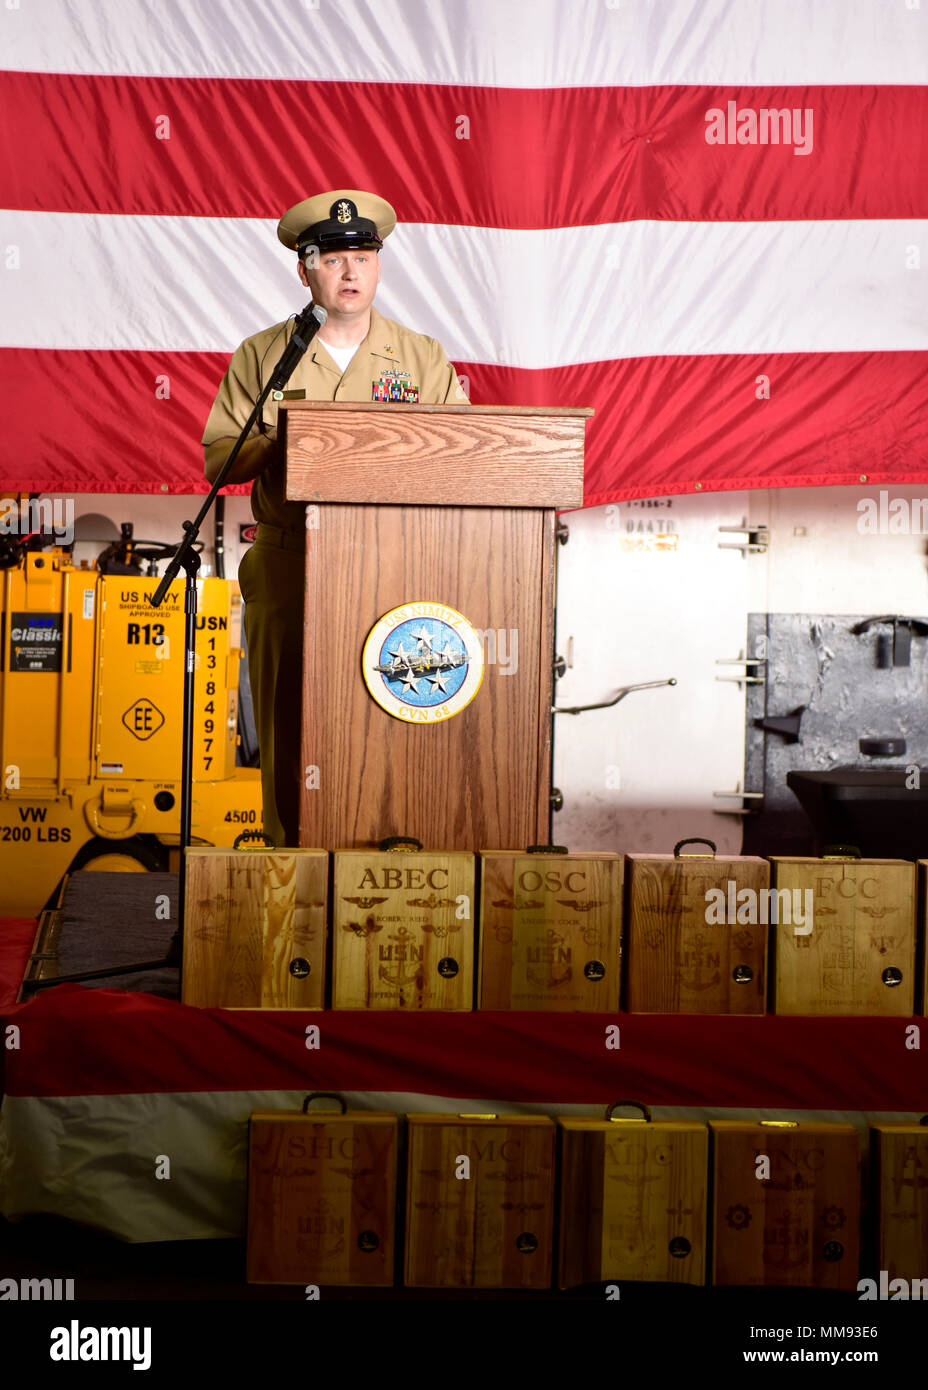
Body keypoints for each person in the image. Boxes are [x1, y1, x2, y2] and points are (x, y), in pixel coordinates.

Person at [202, 189, 470, 847]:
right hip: (291, 562)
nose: (350, 272)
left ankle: (386, 867)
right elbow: (218, 462)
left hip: (397, 566)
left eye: (363, 256)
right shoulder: (266, 355)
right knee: (288, 727)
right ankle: (290, 874)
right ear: (305, 269)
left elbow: (466, 459)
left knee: (392, 720)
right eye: (331, 257)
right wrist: (285, 436)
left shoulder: (421, 357)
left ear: (378, 265)